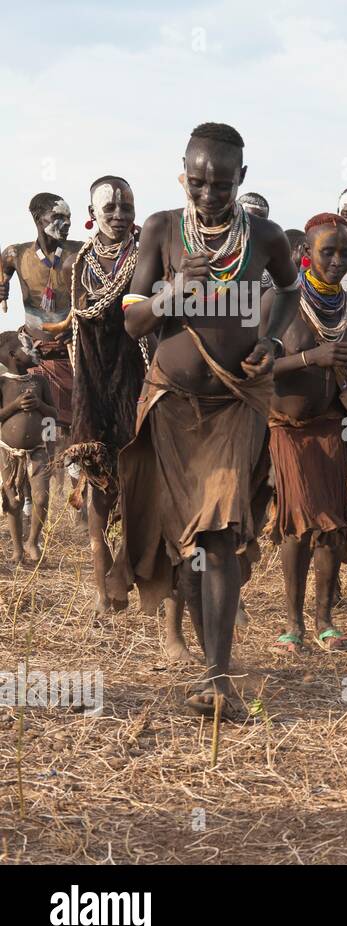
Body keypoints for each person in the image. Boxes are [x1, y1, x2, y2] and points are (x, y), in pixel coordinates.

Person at [110, 121, 299, 715]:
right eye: (198, 182)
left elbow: (289, 292)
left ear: (242, 177)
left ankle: (217, 678)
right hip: (170, 403)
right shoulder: (162, 230)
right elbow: (133, 320)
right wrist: (172, 291)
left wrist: (269, 339)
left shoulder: (265, 236)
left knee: (218, 533)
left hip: (232, 403)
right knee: (183, 541)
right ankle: (205, 657)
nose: (209, 193)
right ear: (183, 175)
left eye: (221, 183)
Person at [266, 213, 347, 653]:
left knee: (332, 527)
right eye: (327, 252)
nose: (338, 261)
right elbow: (257, 368)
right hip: (287, 428)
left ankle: (325, 622)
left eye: (345, 252)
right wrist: (310, 359)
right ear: (305, 254)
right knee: (297, 524)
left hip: (332, 426)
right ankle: (293, 624)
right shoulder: (279, 303)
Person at [63, 175, 148, 613]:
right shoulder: (79, 264)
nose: (119, 214)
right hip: (93, 381)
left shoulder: (145, 254)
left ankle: (125, 569)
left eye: (127, 207)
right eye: (110, 208)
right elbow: (79, 321)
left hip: (136, 375)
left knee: (137, 478)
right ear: (92, 214)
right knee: (97, 477)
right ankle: (102, 584)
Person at [1, 193, 80, 436]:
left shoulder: (80, 251)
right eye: (57, 217)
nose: (66, 223)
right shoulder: (16, 254)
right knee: (30, 429)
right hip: (32, 354)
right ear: (38, 218)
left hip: (70, 352)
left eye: (68, 218)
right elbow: (2, 272)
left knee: (75, 425)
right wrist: (3, 288)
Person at [0, 331, 55, 562]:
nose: (33, 350)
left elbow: (54, 413)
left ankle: (33, 542)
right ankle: (17, 550)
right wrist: (13, 406)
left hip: (38, 450)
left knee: (41, 498)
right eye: (27, 347)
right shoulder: (2, 383)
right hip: (8, 453)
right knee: (13, 501)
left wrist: (40, 404)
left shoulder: (40, 381)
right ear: (13, 354)